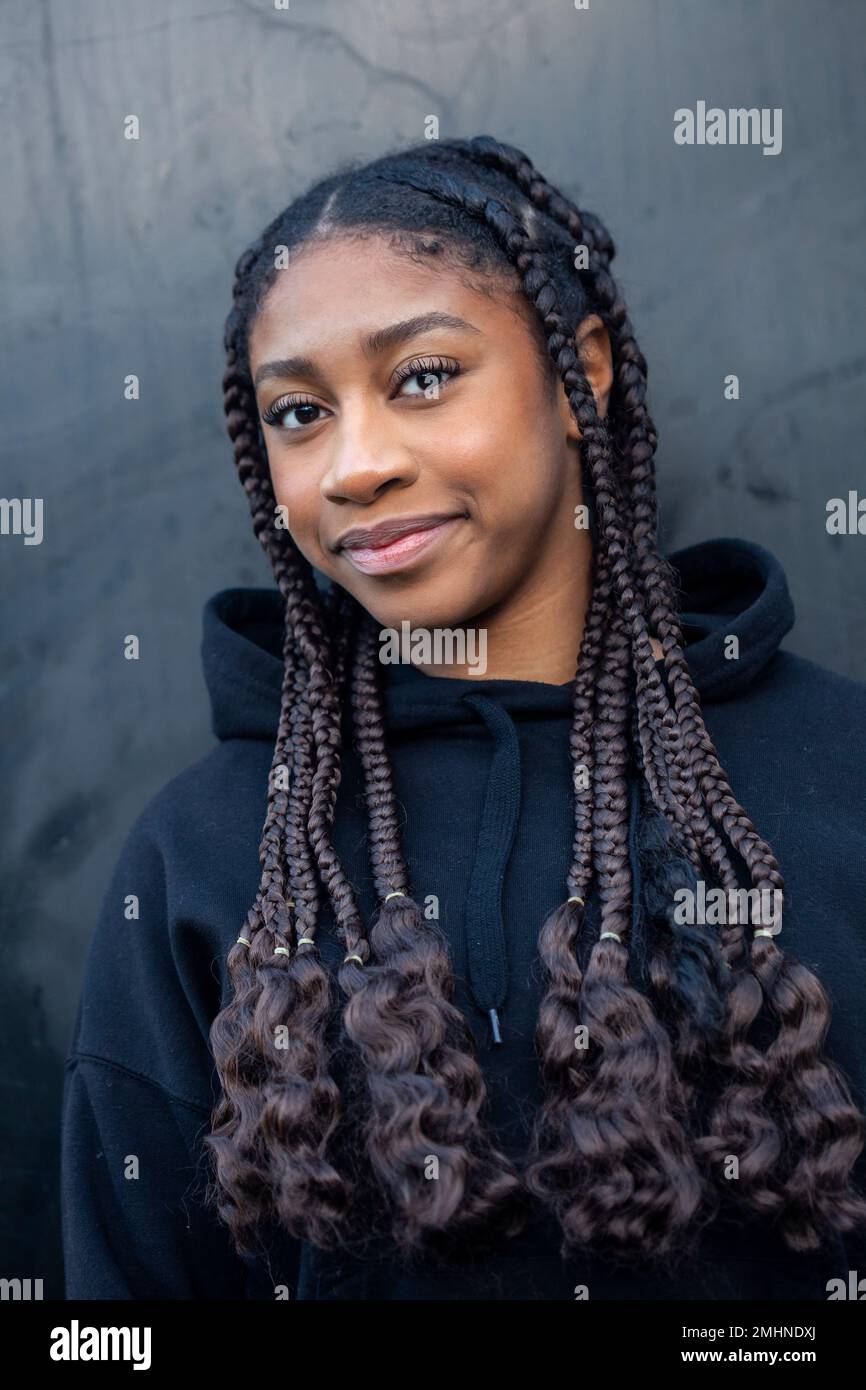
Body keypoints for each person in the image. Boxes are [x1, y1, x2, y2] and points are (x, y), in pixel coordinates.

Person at [61, 135, 866, 1301]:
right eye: (299, 412)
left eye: (423, 376)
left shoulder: (836, 772)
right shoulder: (207, 853)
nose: (355, 464)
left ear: (576, 370)